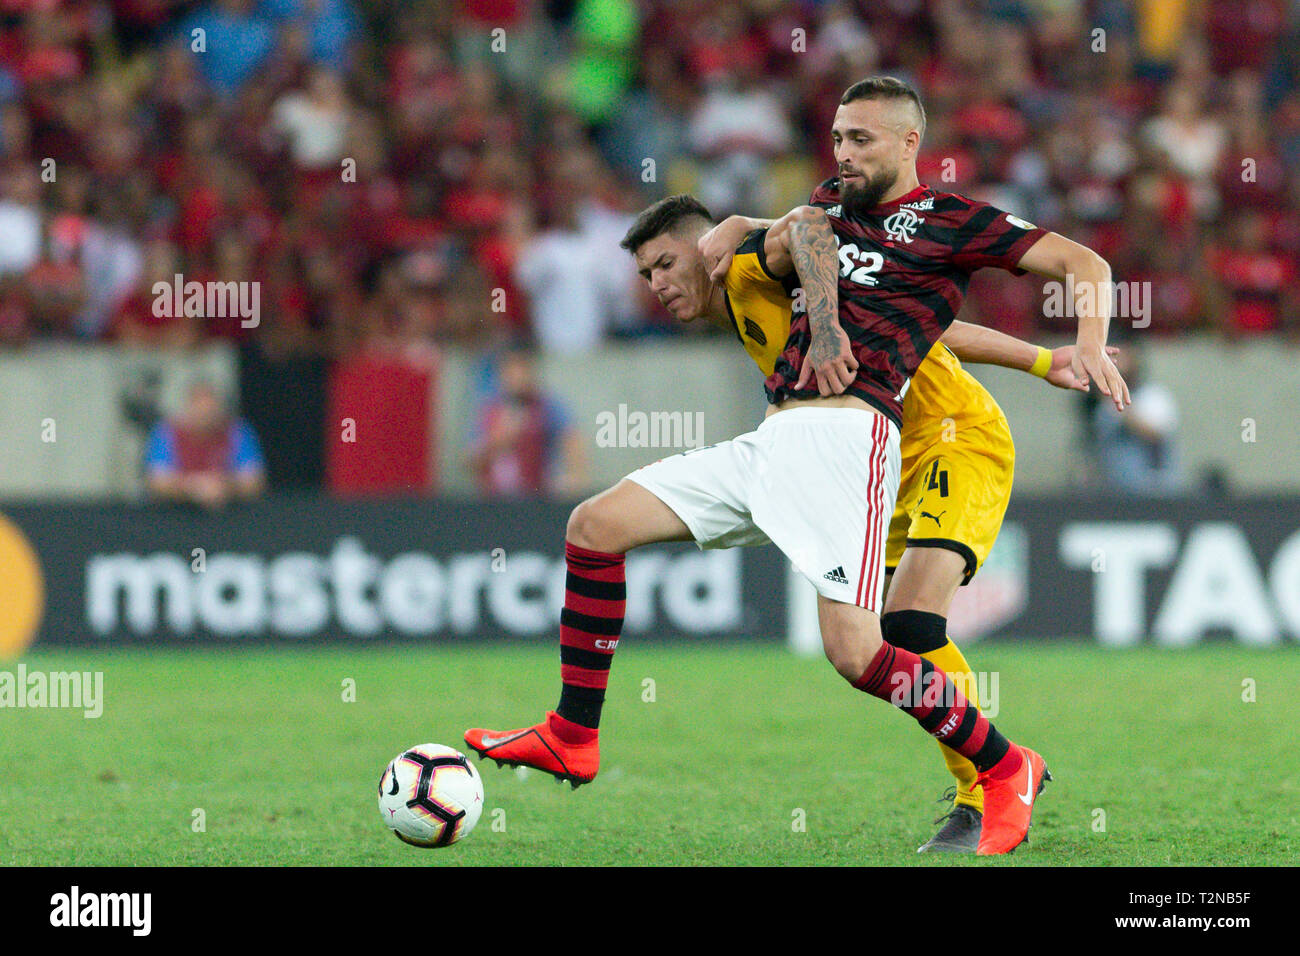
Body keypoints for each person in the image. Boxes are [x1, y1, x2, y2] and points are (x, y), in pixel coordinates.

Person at [467, 77, 1128, 855]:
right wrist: (1040, 356)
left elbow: (1057, 266)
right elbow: (879, 278)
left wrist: (1066, 348)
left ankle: (990, 777)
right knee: (596, 524)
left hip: (936, 433)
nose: (656, 286)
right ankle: (571, 732)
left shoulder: (796, 250)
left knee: (893, 633)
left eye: (665, 264)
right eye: (838, 138)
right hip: (789, 440)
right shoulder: (829, 221)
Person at [467, 346, 589, 498]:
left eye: (521, 369)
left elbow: (573, 442)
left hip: (536, 499)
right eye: (510, 370)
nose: (516, 377)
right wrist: (497, 442)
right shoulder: (489, 408)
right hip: (494, 501)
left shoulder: (548, 406)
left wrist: (570, 481)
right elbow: (470, 460)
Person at [144, 380, 266, 508]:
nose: (205, 415)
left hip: (230, 515)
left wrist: (223, 485)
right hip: (174, 515)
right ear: (188, 408)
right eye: (200, 409)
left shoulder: (237, 431)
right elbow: (156, 483)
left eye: (210, 410)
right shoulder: (166, 432)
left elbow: (254, 482)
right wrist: (192, 487)